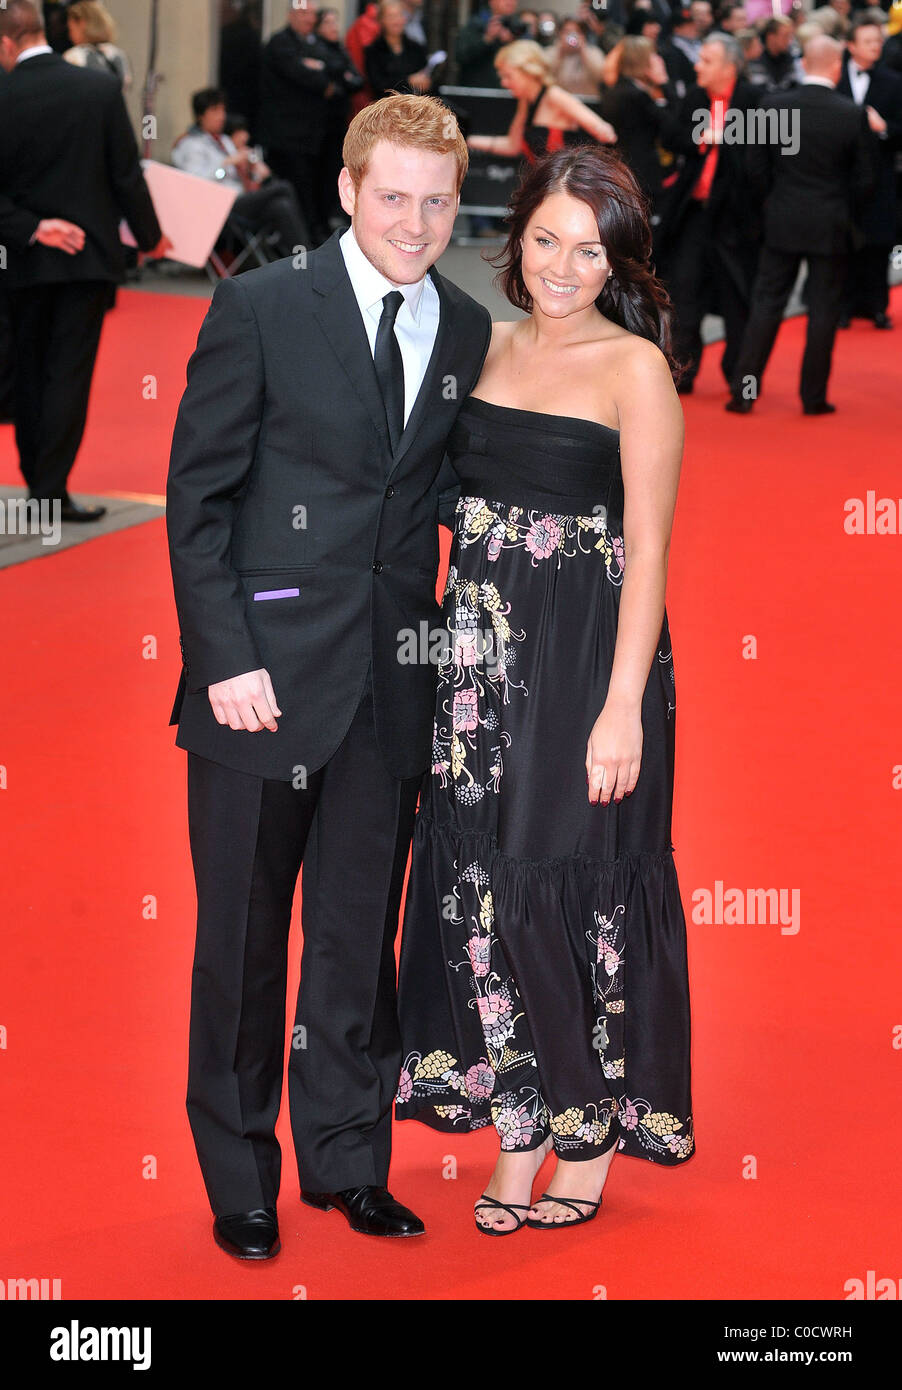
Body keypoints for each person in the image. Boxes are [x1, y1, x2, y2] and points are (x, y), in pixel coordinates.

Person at [165, 94, 493, 1260]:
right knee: (244, 945)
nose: (413, 221)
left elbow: (440, 494)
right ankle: (238, 1174)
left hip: (387, 689)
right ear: (348, 190)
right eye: (392, 195)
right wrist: (224, 662)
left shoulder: (459, 326)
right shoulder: (260, 305)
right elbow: (196, 503)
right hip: (259, 687)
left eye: (436, 201)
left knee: (356, 941)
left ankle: (348, 1160)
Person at [395, 142, 694, 1233]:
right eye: (546, 241)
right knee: (480, 881)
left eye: (589, 249)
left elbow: (650, 551)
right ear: (515, 235)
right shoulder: (481, 346)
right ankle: (517, 1123)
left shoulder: (633, 367)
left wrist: (622, 707)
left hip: (582, 671)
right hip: (476, 668)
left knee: (564, 882)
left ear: (615, 259)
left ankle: (588, 1125)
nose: (565, 267)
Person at [0, 0, 168, 522]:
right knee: (68, 374)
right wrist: (151, 237)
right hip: (87, 261)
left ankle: (39, 486)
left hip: (19, 261)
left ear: (8, 41)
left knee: (27, 370)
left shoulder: (4, 94)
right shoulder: (97, 91)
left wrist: (31, 228)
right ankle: (50, 491)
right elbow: (125, 175)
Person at [726, 35, 876, 414]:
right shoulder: (851, 113)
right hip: (830, 223)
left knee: (766, 306)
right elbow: (865, 180)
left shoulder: (774, 106)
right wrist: (843, 208)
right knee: (824, 311)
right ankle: (813, 398)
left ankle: (744, 394)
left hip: (781, 220)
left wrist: (774, 203)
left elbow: (754, 170)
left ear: (804, 63)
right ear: (836, 67)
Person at [657, 32, 762, 395]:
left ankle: (740, 380)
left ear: (729, 67)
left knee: (737, 300)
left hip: (735, 217)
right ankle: (683, 374)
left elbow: (761, 163)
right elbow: (671, 136)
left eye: (706, 60)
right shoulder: (696, 96)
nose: (697, 65)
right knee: (684, 295)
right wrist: (706, 135)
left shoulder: (755, 100)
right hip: (694, 214)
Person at [171, 88, 309, 257]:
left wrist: (253, 171)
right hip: (218, 206)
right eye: (215, 111)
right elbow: (196, 185)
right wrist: (226, 164)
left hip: (240, 200)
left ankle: (303, 261)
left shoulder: (223, 140)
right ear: (200, 116)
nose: (221, 116)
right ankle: (305, 253)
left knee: (281, 206)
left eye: (222, 110)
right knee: (283, 187)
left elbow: (239, 176)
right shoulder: (190, 145)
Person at [837, 15, 902, 328]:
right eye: (868, 41)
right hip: (841, 178)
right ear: (851, 46)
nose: (877, 46)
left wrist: (884, 127)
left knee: (879, 243)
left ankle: (877, 306)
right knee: (845, 243)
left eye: (878, 40)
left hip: (881, 176)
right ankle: (845, 306)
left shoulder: (893, 80)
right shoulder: (835, 79)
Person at [258, 2, 336, 247]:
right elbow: (302, 75)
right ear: (291, 15)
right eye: (303, 13)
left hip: (314, 135)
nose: (309, 19)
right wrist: (319, 76)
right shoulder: (280, 43)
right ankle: (297, 243)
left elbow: (336, 70)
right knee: (295, 189)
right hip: (286, 137)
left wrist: (319, 71)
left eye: (312, 14)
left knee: (315, 189)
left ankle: (314, 235)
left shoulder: (316, 44)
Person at [467, 39, 616, 164]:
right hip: (541, 186)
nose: (504, 83)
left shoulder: (554, 96)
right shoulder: (525, 102)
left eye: (508, 76)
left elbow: (605, 132)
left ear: (529, 72)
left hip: (563, 188)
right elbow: (513, 145)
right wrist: (465, 139)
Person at [365, 0, 430, 99]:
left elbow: (426, 79)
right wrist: (409, 81)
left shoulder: (416, 48)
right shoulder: (373, 51)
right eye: (391, 16)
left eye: (399, 15)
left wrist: (426, 82)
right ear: (381, 20)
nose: (396, 21)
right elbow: (378, 86)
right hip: (386, 108)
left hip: (415, 107)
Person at [63, 0, 130, 91]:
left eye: (71, 29)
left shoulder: (74, 55)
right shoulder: (118, 54)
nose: (70, 35)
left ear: (82, 24)